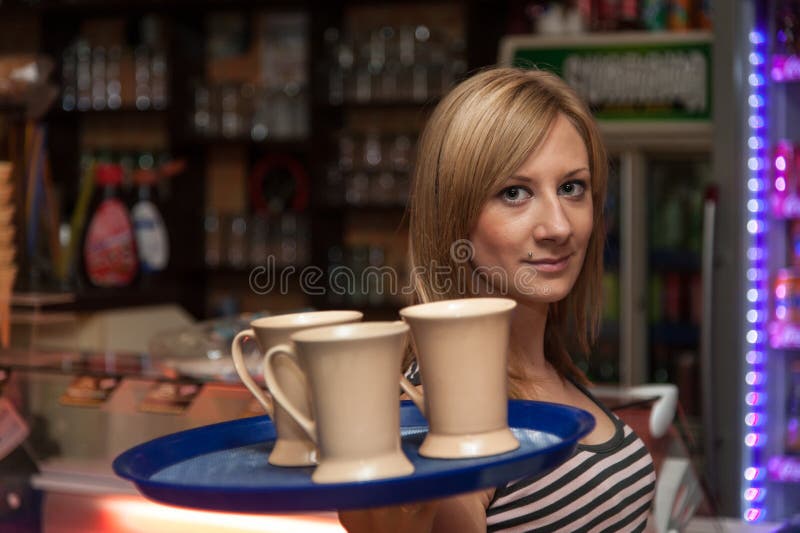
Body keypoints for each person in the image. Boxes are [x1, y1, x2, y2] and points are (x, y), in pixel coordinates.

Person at [339, 66, 656, 532]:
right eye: (515, 193)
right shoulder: (445, 411)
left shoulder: (550, 369)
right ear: (454, 220)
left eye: (572, 188)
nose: (559, 226)